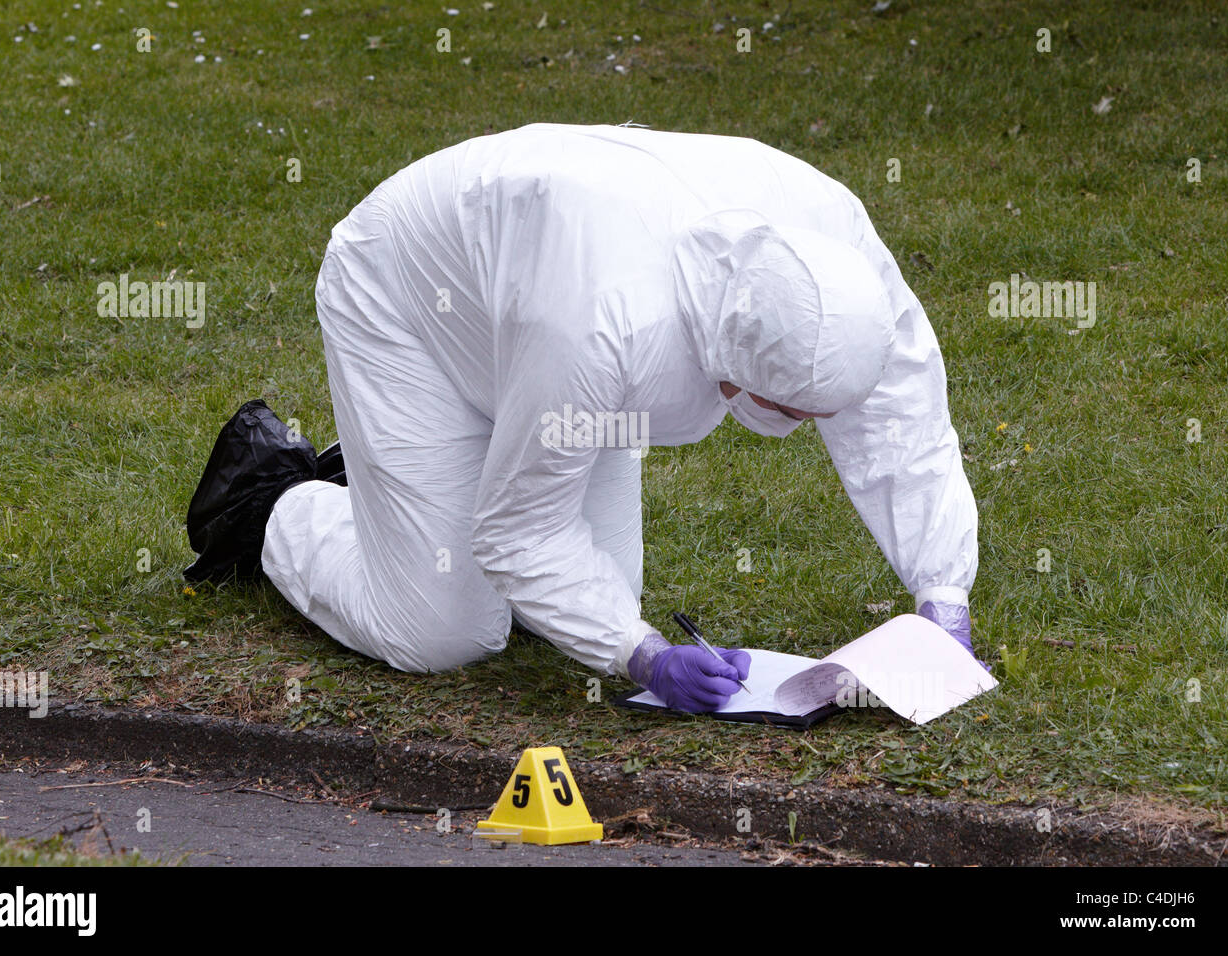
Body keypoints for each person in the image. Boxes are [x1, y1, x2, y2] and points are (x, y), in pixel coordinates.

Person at [183, 123, 979, 714]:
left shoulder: (836, 255)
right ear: (737, 372)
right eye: (795, 413)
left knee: (596, 593)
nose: (810, 427)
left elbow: (902, 418)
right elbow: (520, 532)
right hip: (407, 294)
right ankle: (269, 497)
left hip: (535, 302)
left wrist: (943, 594)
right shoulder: (604, 328)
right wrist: (642, 658)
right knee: (443, 631)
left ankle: (401, 484)